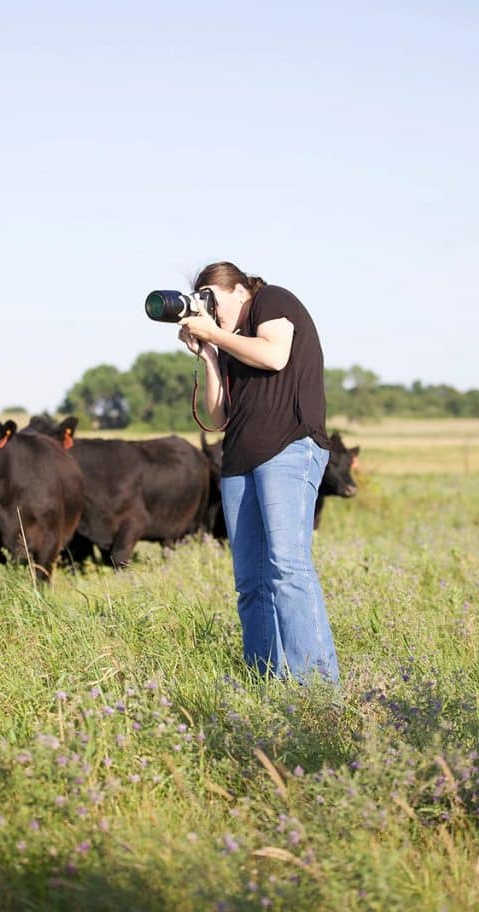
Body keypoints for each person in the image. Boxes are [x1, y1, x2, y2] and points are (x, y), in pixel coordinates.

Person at [178, 261, 339, 684]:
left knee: (287, 568)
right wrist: (211, 353)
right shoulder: (229, 340)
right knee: (250, 582)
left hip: (289, 446)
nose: (211, 313)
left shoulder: (272, 299)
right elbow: (217, 413)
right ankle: (266, 683)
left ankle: (318, 689)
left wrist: (216, 334)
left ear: (238, 289)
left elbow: (274, 355)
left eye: (212, 300)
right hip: (238, 460)